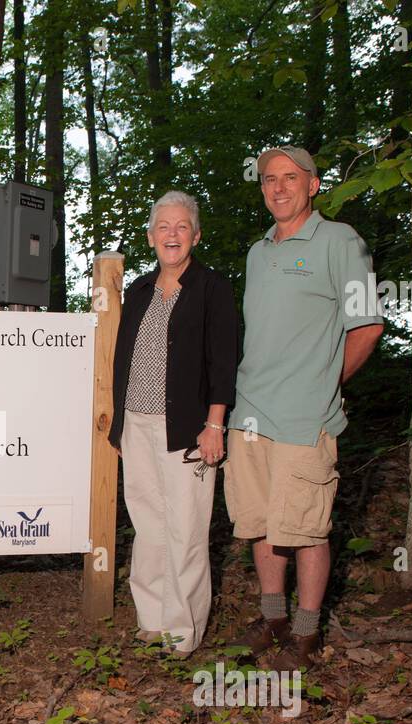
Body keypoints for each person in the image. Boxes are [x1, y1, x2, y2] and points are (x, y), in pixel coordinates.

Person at [225, 146, 384, 670]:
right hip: (249, 413)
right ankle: (273, 619)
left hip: (303, 416)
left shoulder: (340, 241)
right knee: (260, 524)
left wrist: (324, 385)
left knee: (307, 528)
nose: (278, 187)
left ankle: (307, 632)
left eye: (290, 178)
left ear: (313, 185)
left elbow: (368, 325)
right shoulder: (258, 252)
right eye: (269, 179)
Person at [109, 190, 240, 657]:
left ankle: (181, 630)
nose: (172, 234)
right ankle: (151, 620)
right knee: (148, 524)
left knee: (185, 527)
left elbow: (224, 362)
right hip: (136, 423)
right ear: (150, 237)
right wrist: (119, 425)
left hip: (187, 427)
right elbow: (123, 358)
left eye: (182, 226)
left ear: (196, 236)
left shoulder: (212, 289)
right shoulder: (139, 290)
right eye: (163, 226)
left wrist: (215, 424)